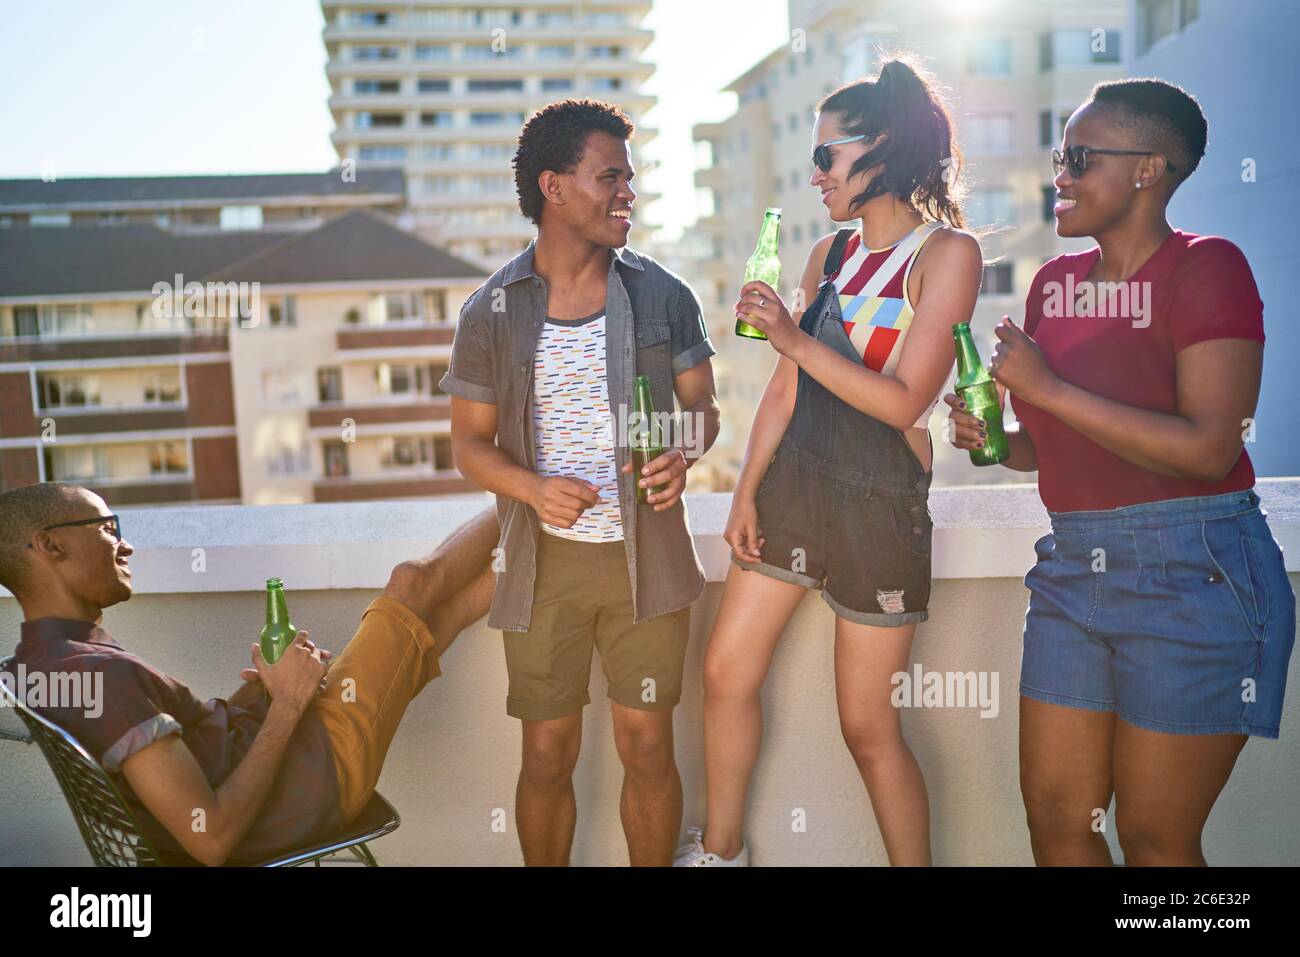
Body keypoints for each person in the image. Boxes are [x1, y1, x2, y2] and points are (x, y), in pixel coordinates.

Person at [944, 78, 1295, 865]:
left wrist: (1048, 388)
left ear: (1149, 168)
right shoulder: (1051, 287)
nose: (1057, 176)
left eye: (1077, 158)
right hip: (1073, 567)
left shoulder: (1208, 268)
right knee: (1061, 822)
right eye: (1058, 158)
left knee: (1154, 838)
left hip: (1194, 571)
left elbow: (1211, 446)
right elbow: (1058, 438)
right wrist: (997, 436)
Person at [675, 58, 983, 867]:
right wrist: (745, 493)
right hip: (795, 489)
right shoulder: (828, 256)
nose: (815, 176)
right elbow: (784, 392)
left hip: (882, 506)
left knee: (869, 727)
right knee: (723, 676)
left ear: (880, 148)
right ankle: (721, 853)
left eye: (826, 157)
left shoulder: (946, 256)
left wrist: (795, 337)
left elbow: (904, 402)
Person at [439, 98, 720, 866]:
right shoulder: (491, 310)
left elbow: (704, 410)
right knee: (546, 755)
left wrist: (680, 452)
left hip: (649, 563)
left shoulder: (664, 295)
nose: (628, 192)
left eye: (630, 177)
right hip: (544, 569)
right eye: (610, 177)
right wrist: (532, 489)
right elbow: (468, 444)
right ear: (554, 187)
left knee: (648, 748)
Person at [0, 481, 499, 865]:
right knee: (413, 582)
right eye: (108, 528)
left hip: (287, 771)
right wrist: (286, 705)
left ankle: (545, 555)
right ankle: (532, 489)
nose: (125, 546)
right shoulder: (98, 676)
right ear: (50, 546)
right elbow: (211, 840)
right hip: (310, 783)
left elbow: (195, 750)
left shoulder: (40, 661)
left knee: (437, 619)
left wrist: (262, 691)